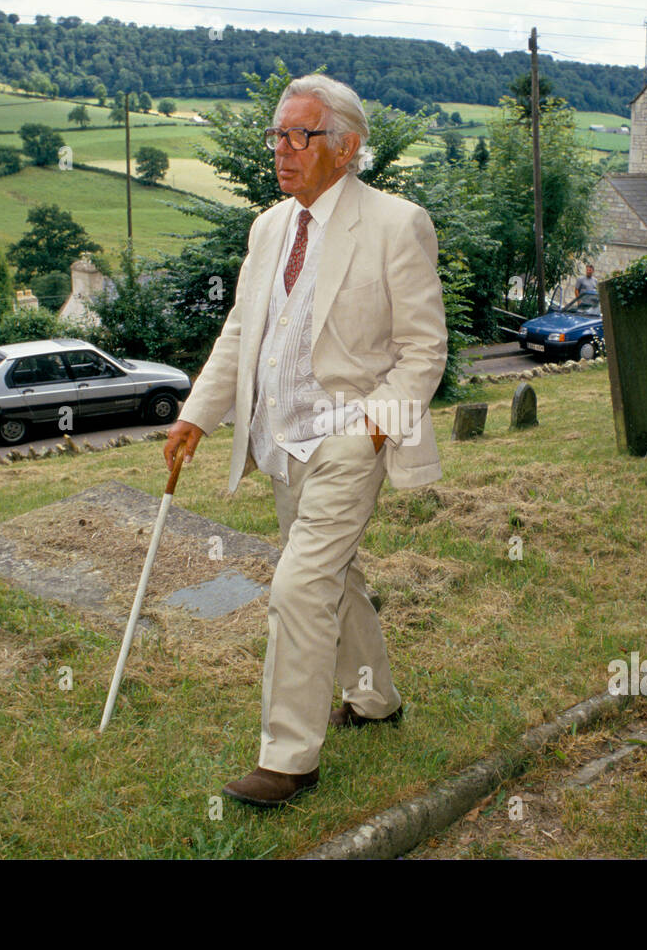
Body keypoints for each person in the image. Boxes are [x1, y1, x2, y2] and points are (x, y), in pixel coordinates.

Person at [162, 74, 448, 808]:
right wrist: (198, 414)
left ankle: (289, 757)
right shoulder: (267, 227)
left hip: (348, 444)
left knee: (296, 586)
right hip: (279, 441)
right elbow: (241, 333)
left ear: (346, 147)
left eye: (301, 135)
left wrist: (373, 429)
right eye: (277, 136)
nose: (282, 152)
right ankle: (375, 697)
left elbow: (424, 351)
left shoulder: (395, 223)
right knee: (334, 577)